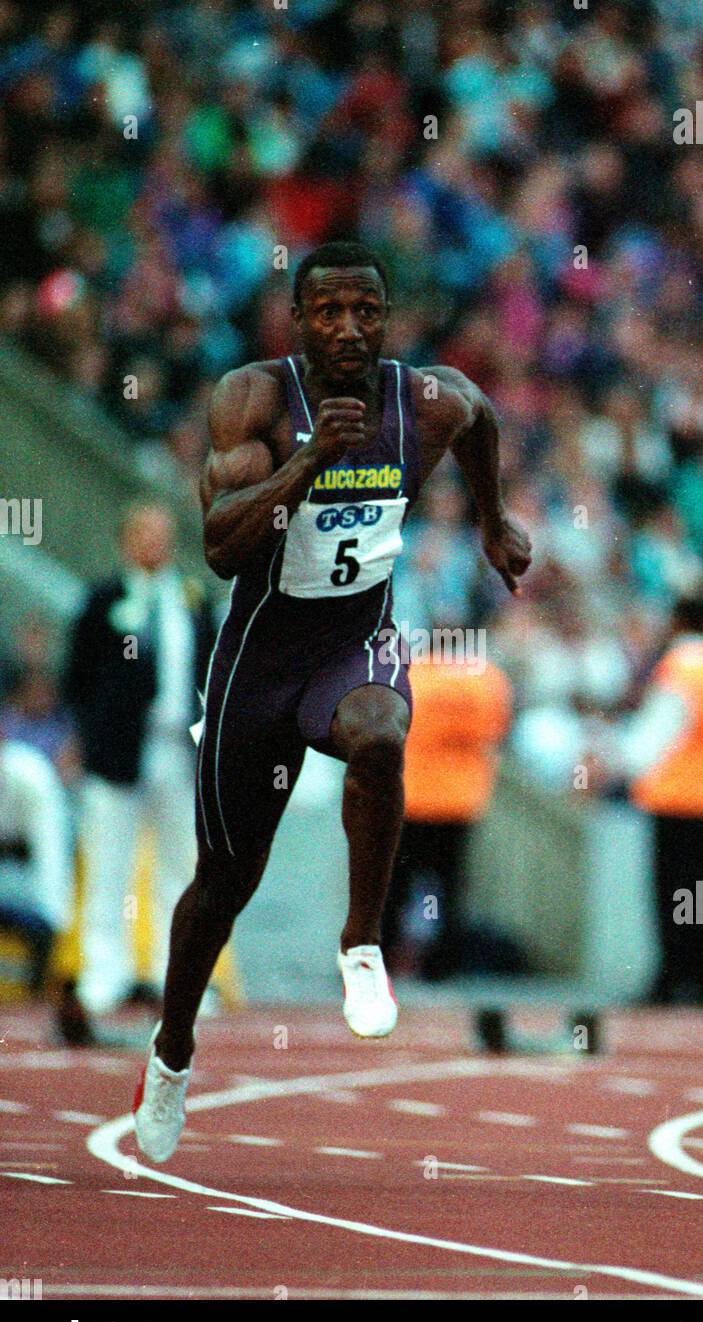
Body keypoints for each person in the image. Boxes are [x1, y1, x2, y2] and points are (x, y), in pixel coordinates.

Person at [132, 241, 531, 1162]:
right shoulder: (253, 401)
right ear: (298, 321)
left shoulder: (423, 400)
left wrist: (491, 518)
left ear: (385, 320)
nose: (349, 328)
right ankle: (172, 1050)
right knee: (223, 884)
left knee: (383, 733)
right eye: (328, 312)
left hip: (355, 641)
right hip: (260, 662)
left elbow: (479, 417)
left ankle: (361, 943)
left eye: (366, 312)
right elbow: (221, 548)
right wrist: (310, 460)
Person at [63, 503, 216, 1024]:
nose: (154, 543)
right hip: (117, 751)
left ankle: (178, 978)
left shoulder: (192, 598)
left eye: (162, 534)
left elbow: (211, 670)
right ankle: (104, 974)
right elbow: (78, 676)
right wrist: (87, 737)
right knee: (108, 863)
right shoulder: (103, 599)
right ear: (125, 539)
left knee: (182, 866)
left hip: (178, 747)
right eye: (143, 533)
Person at [601, 594, 703, 1005]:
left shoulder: (679, 667)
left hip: (674, 794)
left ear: (678, 622)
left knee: (670, 891)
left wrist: (618, 762)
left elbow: (660, 729)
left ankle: (670, 979)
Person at [380, 648, 512, 978]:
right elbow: (496, 731)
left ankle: (383, 958)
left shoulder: (412, 674)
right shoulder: (487, 677)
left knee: (395, 886)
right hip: (460, 801)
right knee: (449, 888)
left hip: (412, 796)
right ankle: (443, 964)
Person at [0, 731, 71, 994]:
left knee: (41, 921)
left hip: (24, 884)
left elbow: (52, 854)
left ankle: (36, 994)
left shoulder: (33, 777)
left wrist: (51, 919)